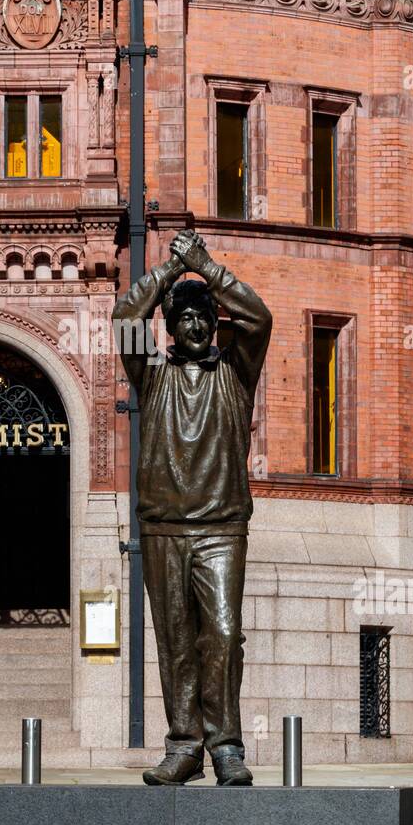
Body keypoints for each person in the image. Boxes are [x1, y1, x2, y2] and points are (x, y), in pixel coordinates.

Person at [113, 228, 272, 786]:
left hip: (222, 527)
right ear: (171, 324)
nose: (196, 325)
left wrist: (204, 267)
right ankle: (184, 745)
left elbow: (259, 318)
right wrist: (165, 275)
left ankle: (226, 745)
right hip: (163, 529)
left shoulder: (235, 372)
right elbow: (125, 322)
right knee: (175, 639)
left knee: (223, 634)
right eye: (184, 317)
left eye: (204, 316)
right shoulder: (150, 376)